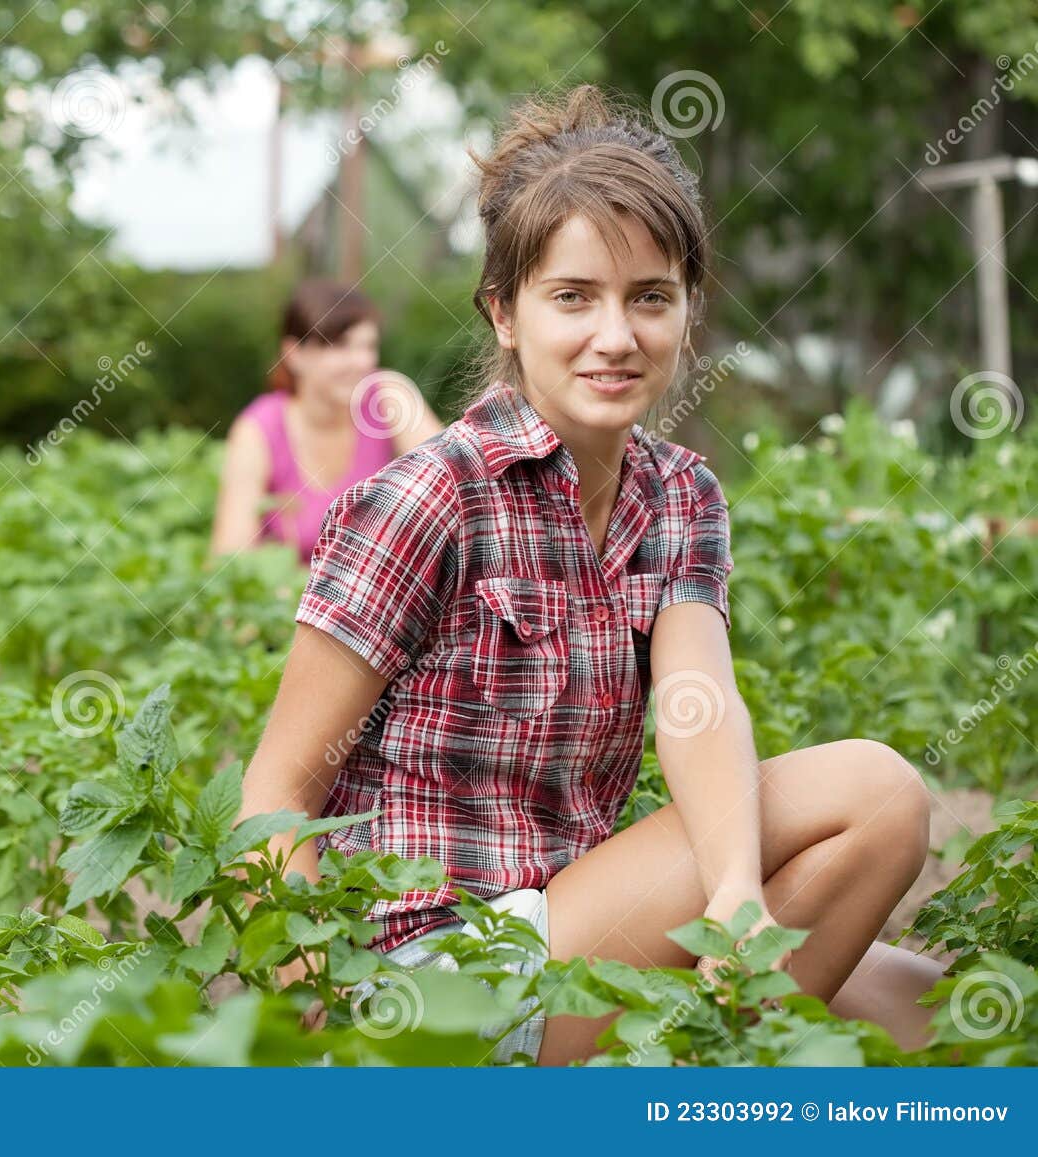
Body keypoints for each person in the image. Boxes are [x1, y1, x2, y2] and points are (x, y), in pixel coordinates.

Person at [237, 86, 945, 1065]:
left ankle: (675, 1076)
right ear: (504, 312)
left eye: (648, 296)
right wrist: (307, 1023)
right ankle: (685, 1089)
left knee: (933, 1006)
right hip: (423, 971)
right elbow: (272, 788)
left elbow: (700, 702)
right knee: (877, 790)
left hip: (567, 922)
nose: (615, 335)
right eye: (573, 296)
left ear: (686, 310)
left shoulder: (679, 491)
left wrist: (735, 885)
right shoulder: (428, 497)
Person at [209, 281, 444, 566]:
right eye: (340, 346)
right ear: (294, 354)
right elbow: (228, 560)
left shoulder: (386, 397)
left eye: (368, 346)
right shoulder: (258, 429)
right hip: (290, 603)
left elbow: (456, 486)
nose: (361, 361)